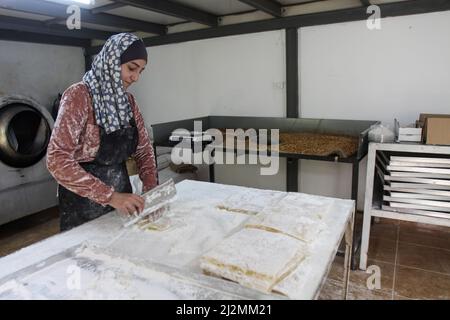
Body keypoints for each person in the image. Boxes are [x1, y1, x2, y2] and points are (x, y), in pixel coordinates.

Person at [47, 33, 158, 231]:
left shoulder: (128, 102)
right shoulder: (79, 96)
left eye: (141, 71)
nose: (136, 77)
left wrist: (152, 191)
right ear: (111, 61)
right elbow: (57, 160)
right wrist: (111, 196)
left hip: (122, 204)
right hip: (82, 207)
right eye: (132, 68)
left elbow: (144, 151)